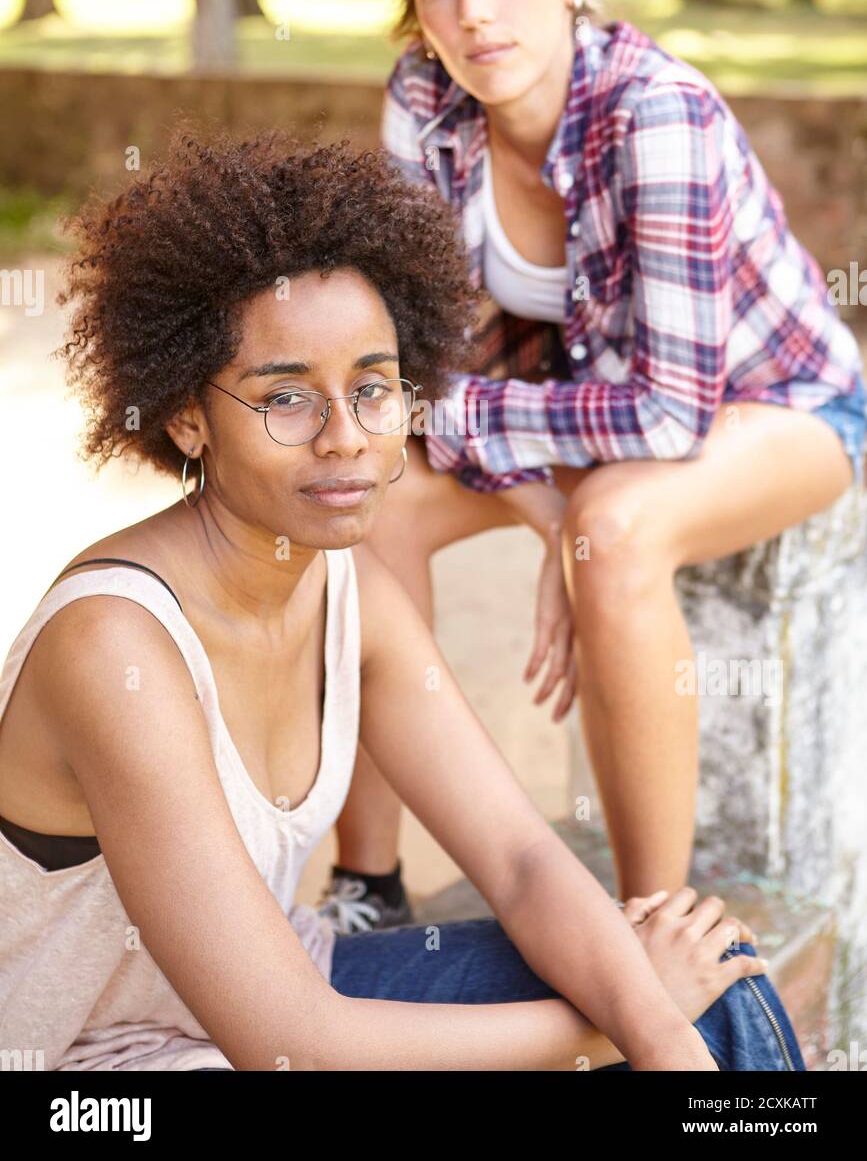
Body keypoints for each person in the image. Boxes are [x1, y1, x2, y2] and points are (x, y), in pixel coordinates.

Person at [0, 129, 805, 1071]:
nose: (346, 436)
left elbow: (519, 859)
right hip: (95, 1070)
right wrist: (620, 1023)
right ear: (186, 416)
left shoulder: (351, 596)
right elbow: (291, 1044)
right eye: (286, 398)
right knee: (645, 998)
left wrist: (661, 1022)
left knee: (715, 974)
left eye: (373, 388)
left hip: (260, 1000)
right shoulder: (116, 647)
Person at [319, 0, 867, 927]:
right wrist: (544, 507)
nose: (474, 10)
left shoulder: (655, 111)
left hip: (781, 405)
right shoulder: (425, 99)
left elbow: (669, 412)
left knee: (613, 534)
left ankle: (653, 925)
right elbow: (414, 354)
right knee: (367, 499)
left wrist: (570, 522)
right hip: (587, 404)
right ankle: (365, 881)